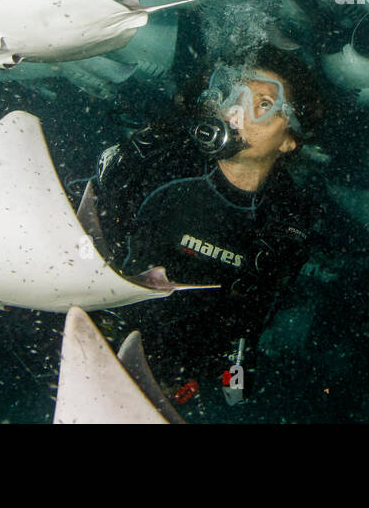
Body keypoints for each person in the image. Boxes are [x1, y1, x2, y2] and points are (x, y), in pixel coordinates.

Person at [92, 46, 324, 409]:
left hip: (166, 379)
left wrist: (192, 377)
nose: (235, 111)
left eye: (262, 104)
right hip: (92, 332)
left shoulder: (287, 222)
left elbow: (250, 320)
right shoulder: (161, 164)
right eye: (232, 94)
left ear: (289, 139)